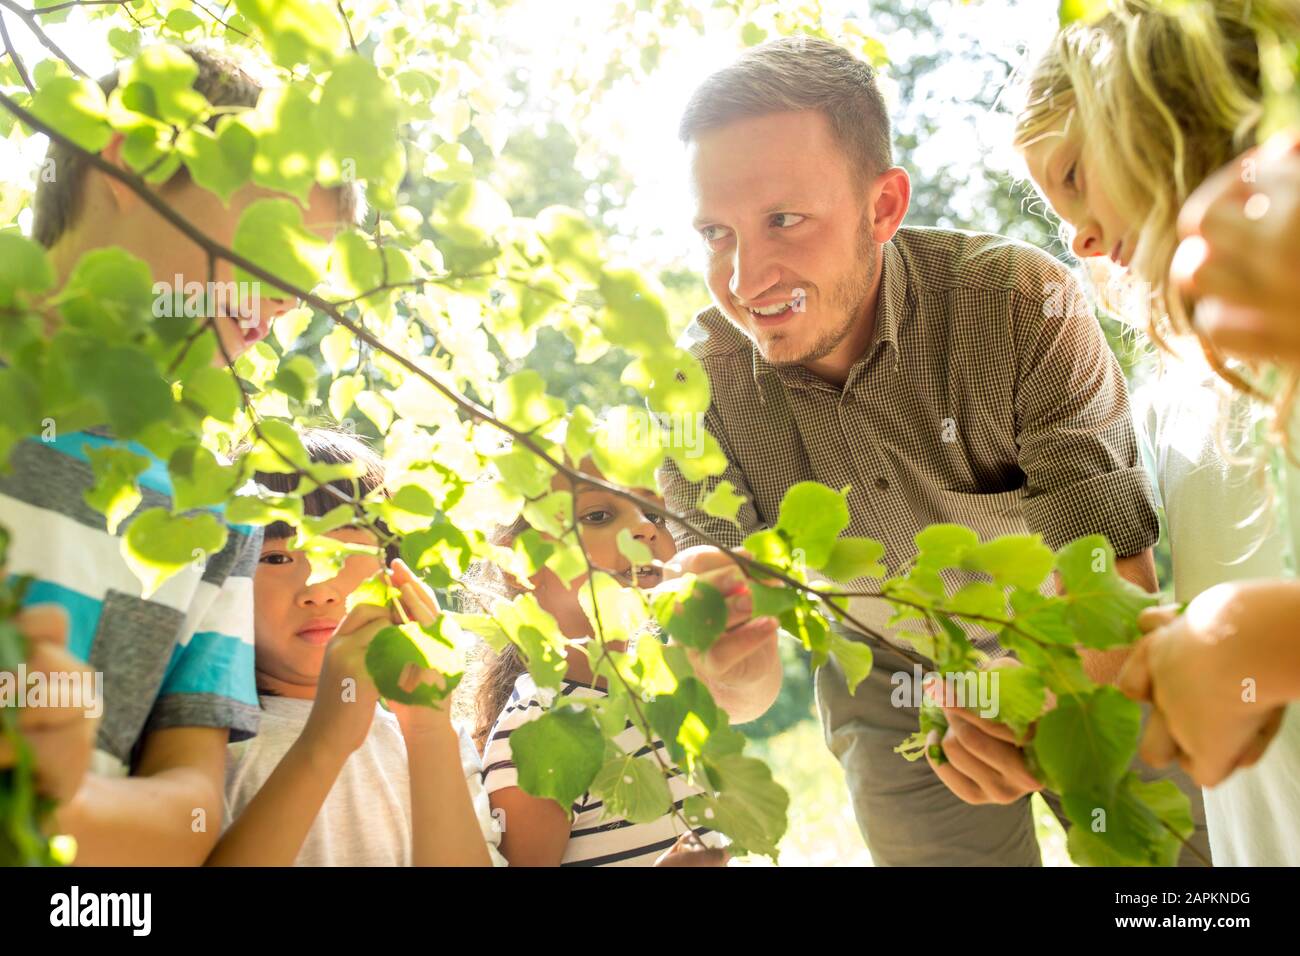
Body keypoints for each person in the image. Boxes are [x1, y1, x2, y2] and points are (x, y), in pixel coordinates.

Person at [657, 35, 1210, 865]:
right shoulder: (694, 397)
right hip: (890, 678)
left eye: (784, 220)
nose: (745, 278)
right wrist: (717, 650)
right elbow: (745, 694)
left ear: (883, 207)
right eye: (715, 233)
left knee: (1184, 890)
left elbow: (1107, 585)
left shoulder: (1023, 304)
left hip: (1074, 645)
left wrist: (1032, 707)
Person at [0, 45, 359, 864]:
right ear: (135, 156)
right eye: (275, 251)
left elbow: (193, 814)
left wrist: (63, 799)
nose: (284, 304)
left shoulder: (212, 506)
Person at [1015, 0, 1300, 865]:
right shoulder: (1180, 400)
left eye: (1072, 175)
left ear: (1163, 112)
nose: (1077, 237)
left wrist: (1255, 643)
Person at [211, 427, 502, 866]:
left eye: (342, 552)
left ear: (394, 569)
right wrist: (327, 740)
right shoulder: (206, 740)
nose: (319, 588)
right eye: (276, 558)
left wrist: (428, 733)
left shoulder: (434, 734)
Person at [470, 458, 762, 865]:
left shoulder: (668, 692)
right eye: (599, 515)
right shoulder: (544, 727)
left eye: (654, 513)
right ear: (519, 565)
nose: (645, 527)